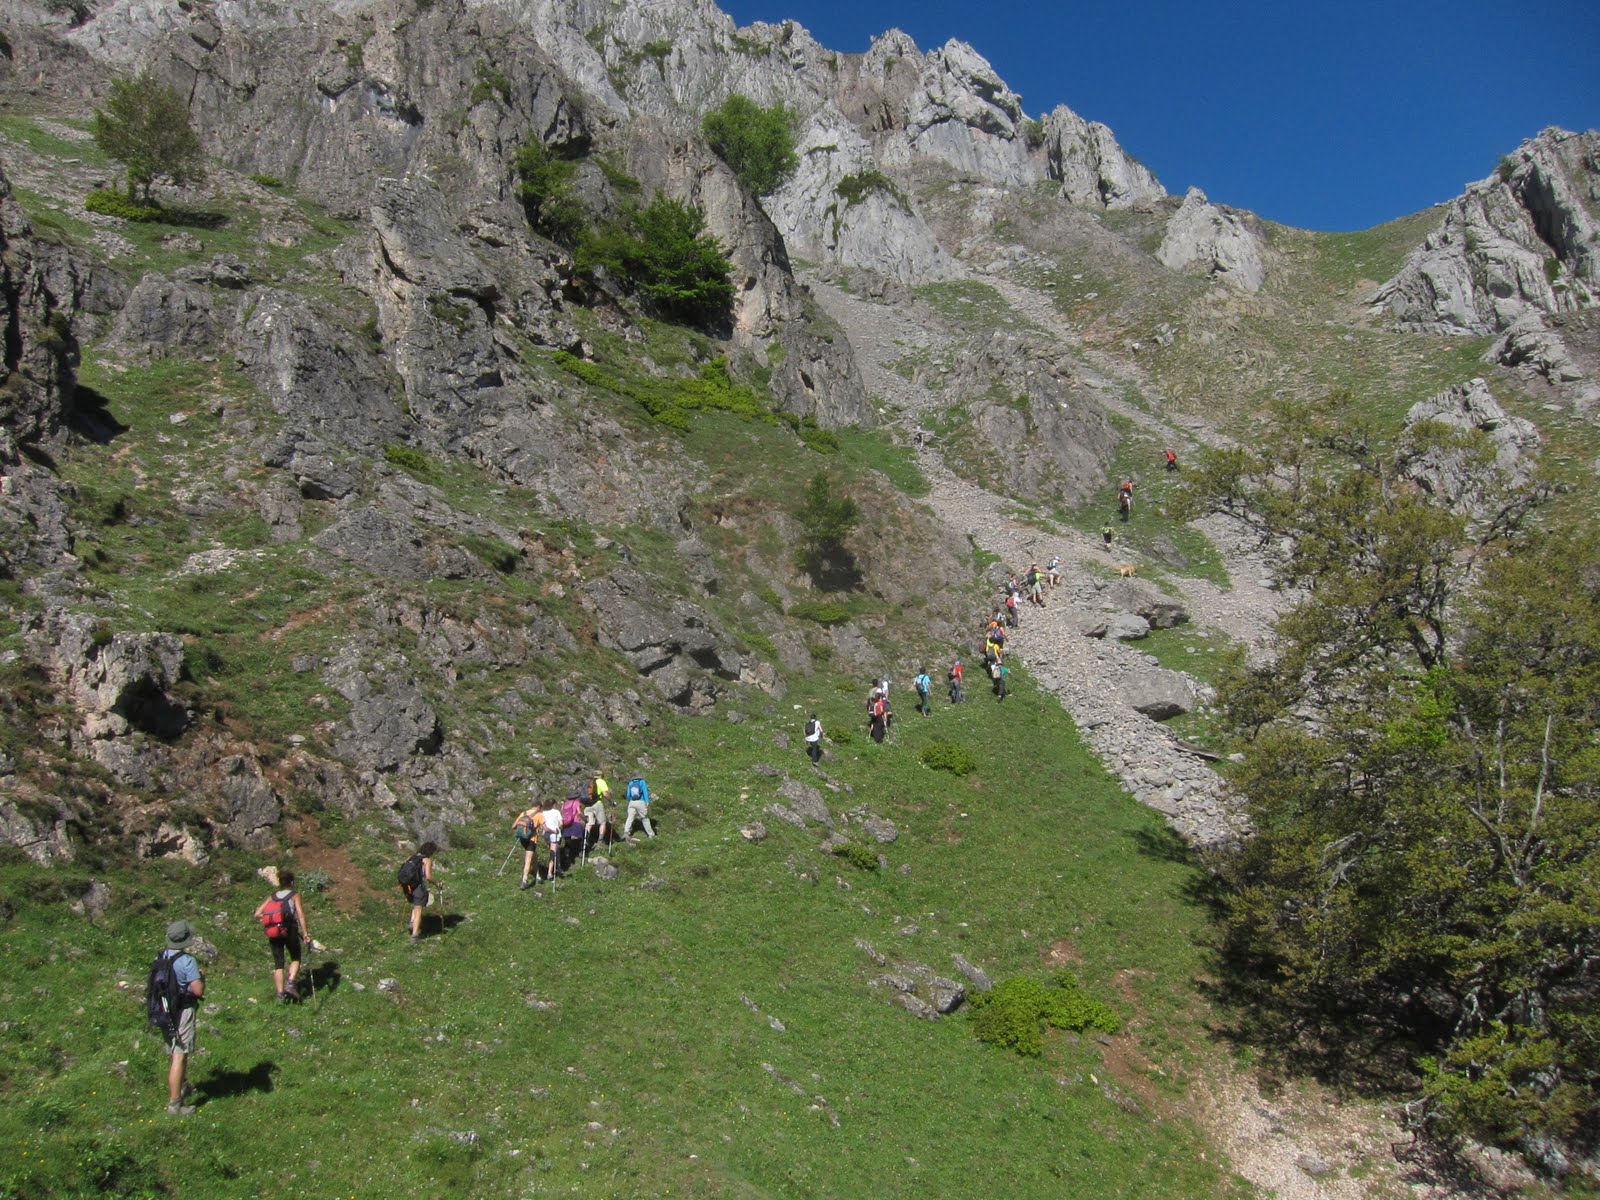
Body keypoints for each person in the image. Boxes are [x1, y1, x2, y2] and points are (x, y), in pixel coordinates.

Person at [157, 920, 204, 1115]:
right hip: (183, 1010)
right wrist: (201, 977)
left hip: (164, 1011)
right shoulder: (187, 961)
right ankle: (175, 1104)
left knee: (174, 1051)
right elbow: (198, 990)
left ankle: (182, 1087)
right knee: (179, 1055)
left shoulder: (161, 957)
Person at [254, 872, 310, 1001]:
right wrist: (305, 933)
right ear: (292, 882)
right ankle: (290, 983)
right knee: (296, 957)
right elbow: (300, 915)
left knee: (278, 964)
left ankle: (280, 995)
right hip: (289, 929)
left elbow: (257, 913)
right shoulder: (294, 895)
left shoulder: (272, 897)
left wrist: (274, 919)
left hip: (274, 931)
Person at [399, 841, 438, 942]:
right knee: (418, 909)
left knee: (415, 906)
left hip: (407, 887)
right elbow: (428, 877)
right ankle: (415, 935)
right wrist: (438, 883)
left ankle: (412, 923)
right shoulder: (426, 860)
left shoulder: (412, 857)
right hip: (418, 887)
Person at [513, 801, 542, 889]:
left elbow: (513, 826)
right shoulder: (539, 814)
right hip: (531, 839)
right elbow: (544, 827)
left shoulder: (523, 813)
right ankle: (524, 880)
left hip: (522, 838)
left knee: (534, 856)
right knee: (528, 859)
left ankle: (538, 876)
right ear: (538, 807)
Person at [623, 775, 655, 840]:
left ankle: (626, 832)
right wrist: (647, 801)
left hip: (632, 802)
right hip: (641, 802)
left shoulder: (631, 783)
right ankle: (651, 835)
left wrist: (630, 800)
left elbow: (628, 794)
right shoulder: (642, 782)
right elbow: (645, 792)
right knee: (644, 818)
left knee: (630, 817)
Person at [539, 799, 562, 879]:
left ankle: (558, 868)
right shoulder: (556, 812)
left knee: (556, 851)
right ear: (553, 804)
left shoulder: (543, 813)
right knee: (553, 852)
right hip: (554, 834)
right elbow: (561, 823)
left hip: (546, 834)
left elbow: (542, 825)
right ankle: (550, 872)